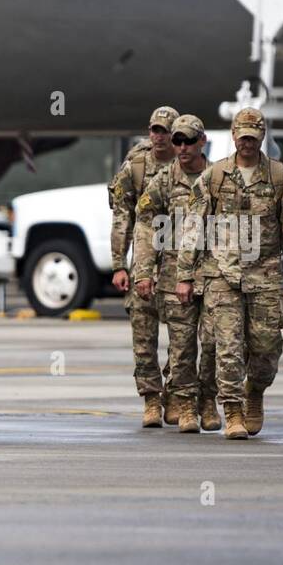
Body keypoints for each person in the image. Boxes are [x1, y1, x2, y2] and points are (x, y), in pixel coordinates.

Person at [176, 107, 283, 439]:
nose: (247, 143)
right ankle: (232, 412)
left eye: (253, 138)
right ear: (234, 137)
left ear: (261, 137)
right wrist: (185, 274)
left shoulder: (280, 178)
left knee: (266, 348)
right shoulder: (215, 176)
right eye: (242, 137)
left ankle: (255, 392)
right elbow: (194, 226)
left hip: (265, 277)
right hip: (222, 275)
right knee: (227, 345)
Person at [133, 114, 218, 432]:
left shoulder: (218, 177)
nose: (181, 147)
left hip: (214, 276)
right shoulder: (164, 181)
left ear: (202, 142)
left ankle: (208, 401)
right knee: (182, 346)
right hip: (173, 278)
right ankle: (184, 406)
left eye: (188, 141)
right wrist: (143, 271)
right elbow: (144, 225)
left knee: (212, 345)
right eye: (177, 141)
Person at [109, 106, 178, 428]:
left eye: (164, 131)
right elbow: (122, 218)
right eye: (154, 130)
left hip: (182, 265)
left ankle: (177, 394)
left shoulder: (188, 166)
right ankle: (151, 398)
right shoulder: (136, 168)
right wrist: (118, 265)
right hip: (145, 264)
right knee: (143, 336)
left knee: (184, 337)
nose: (158, 136)